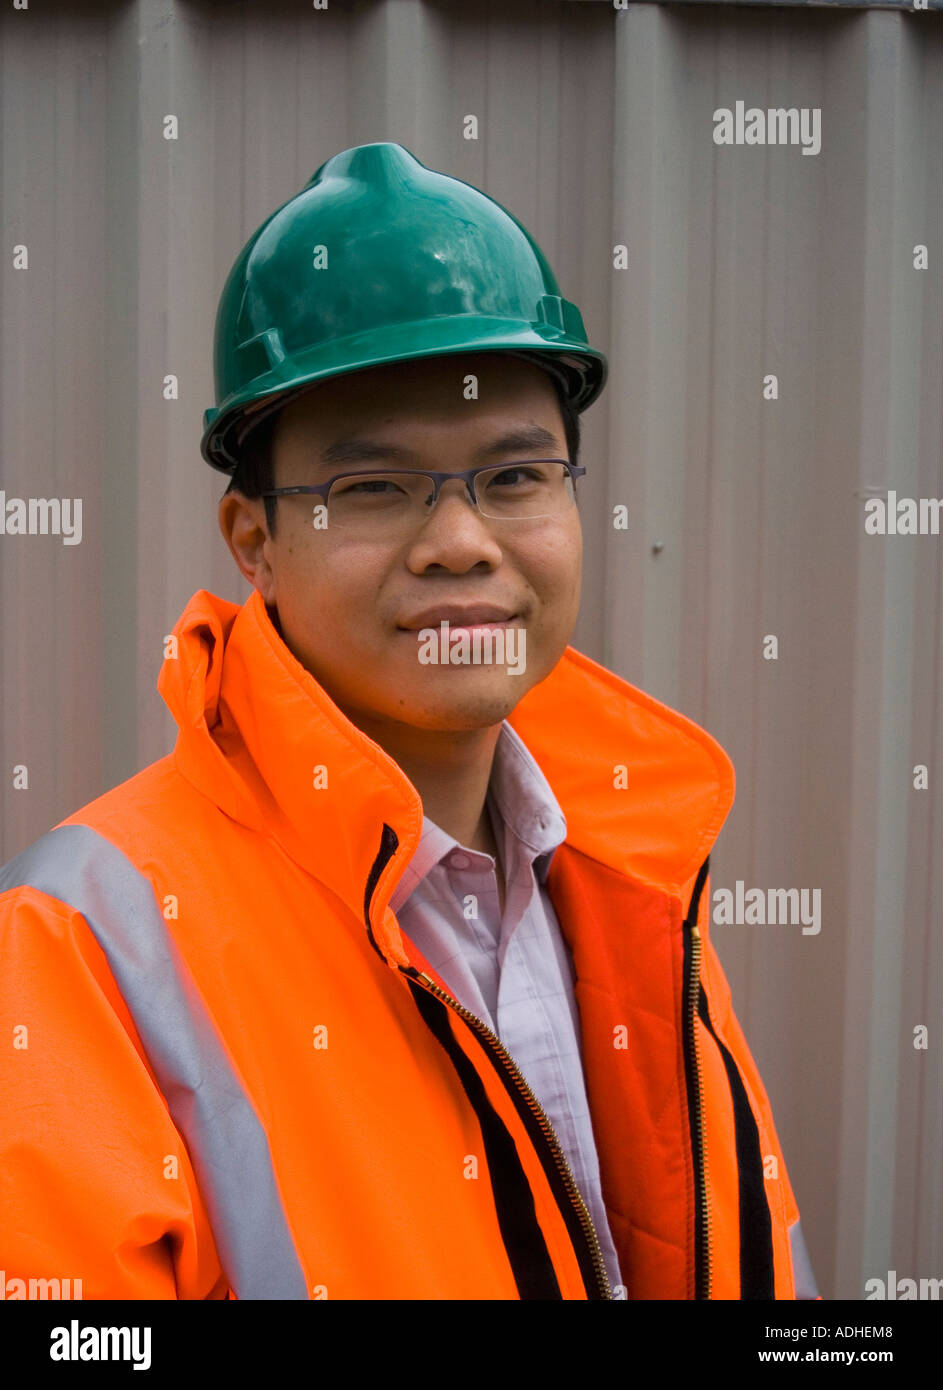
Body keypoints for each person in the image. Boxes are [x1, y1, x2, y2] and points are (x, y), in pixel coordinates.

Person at [0, 143, 817, 1300]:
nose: (461, 541)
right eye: (373, 488)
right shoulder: (77, 945)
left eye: (517, 476)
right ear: (253, 542)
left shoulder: (634, 878)